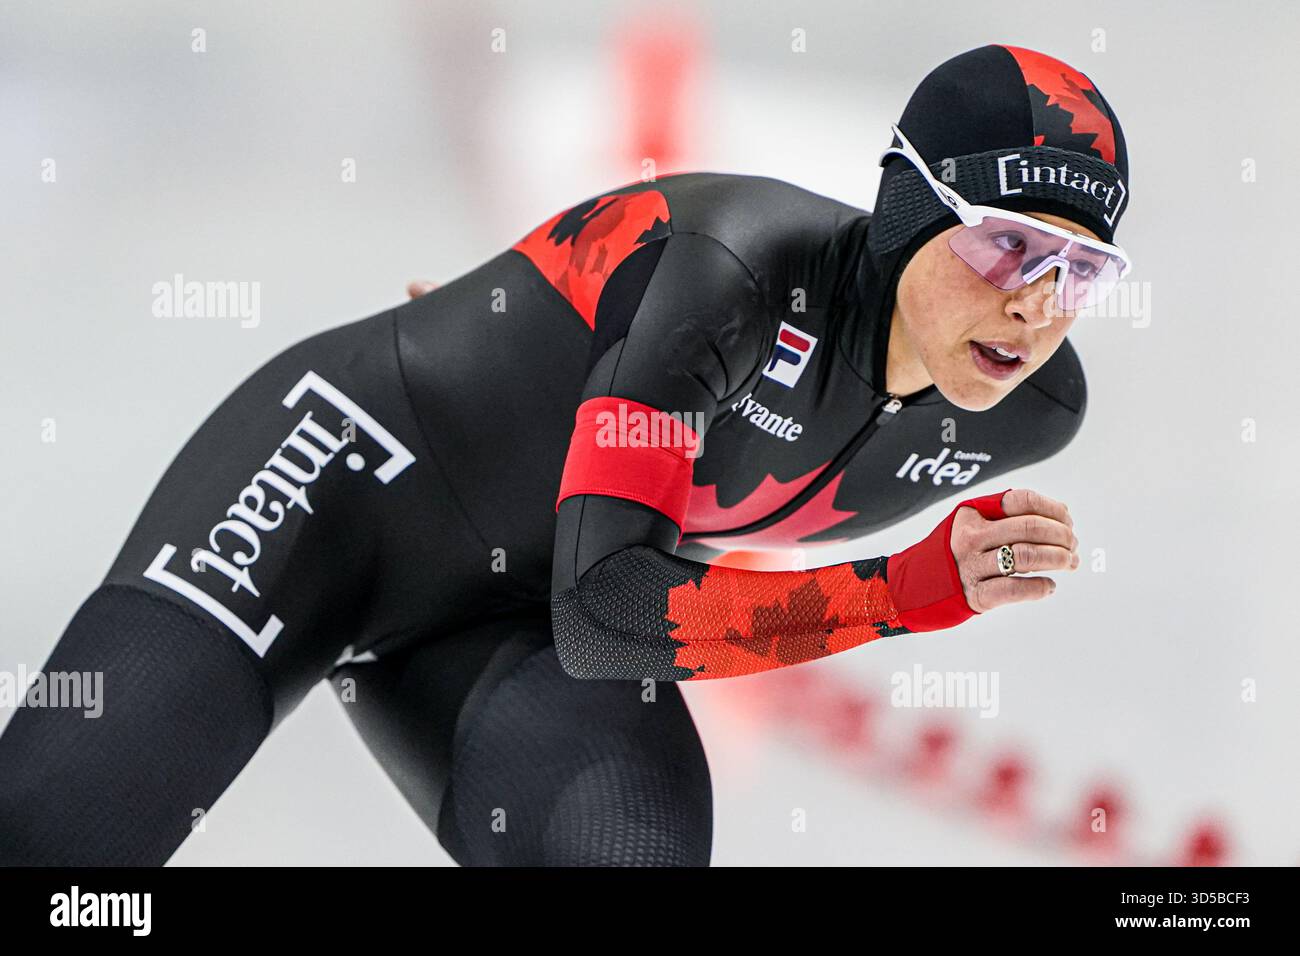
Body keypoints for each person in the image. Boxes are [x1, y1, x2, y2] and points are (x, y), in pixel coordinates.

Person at [0, 43, 1131, 866]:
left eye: (1079, 270)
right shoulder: (730, 277)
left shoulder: (1026, 411)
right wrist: (904, 591)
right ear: (905, 213)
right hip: (342, 491)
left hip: (515, 620)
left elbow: (583, 613)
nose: (1036, 307)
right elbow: (607, 610)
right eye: (1006, 245)